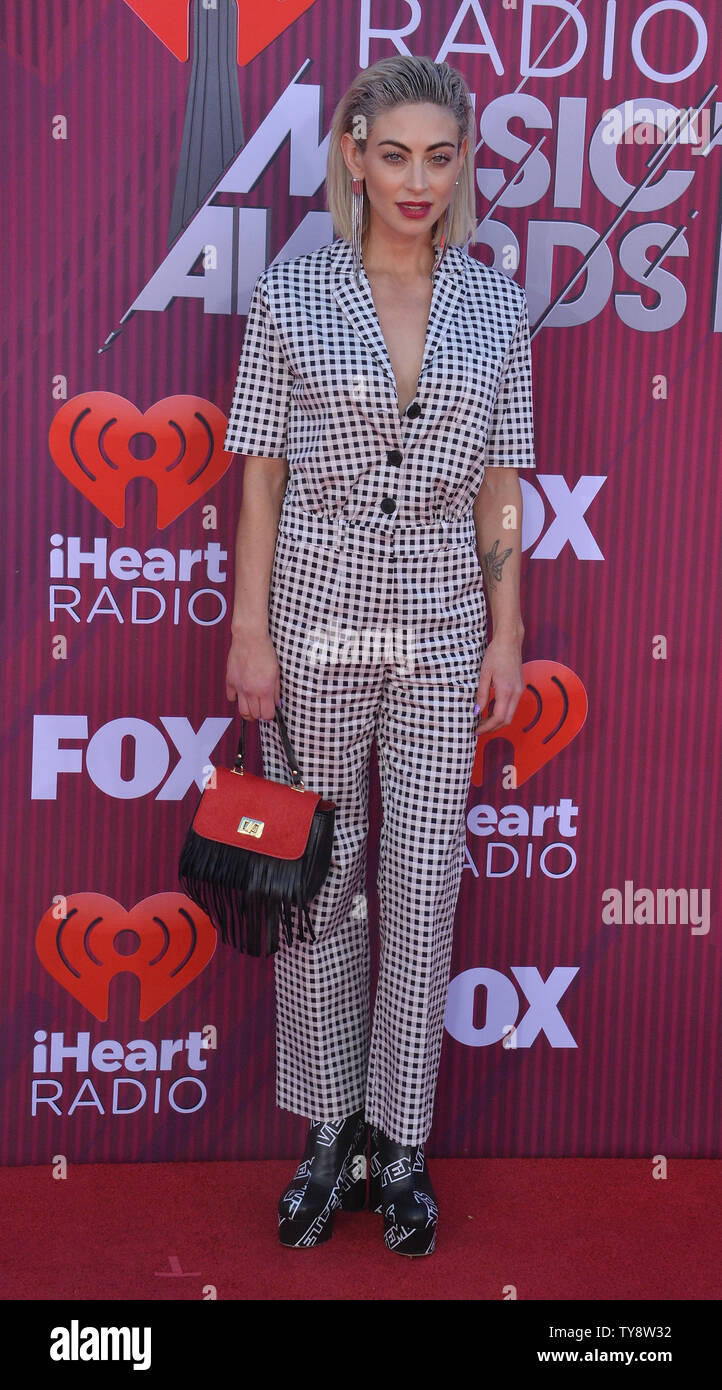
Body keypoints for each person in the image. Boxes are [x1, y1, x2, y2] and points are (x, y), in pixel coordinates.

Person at [223, 55, 537, 1258]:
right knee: (313, 884)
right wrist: (248, 629)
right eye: (393, 153)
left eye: (438, 157)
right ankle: (327, 1133)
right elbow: (260, 474)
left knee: (419, 884)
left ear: (461, 165)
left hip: (444, 628)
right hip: (312, 618)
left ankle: (399, 1144)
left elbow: (500, 485)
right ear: (352, 155)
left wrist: (506, 631)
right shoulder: (292, 295)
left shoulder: (495, 306)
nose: (416, 180)